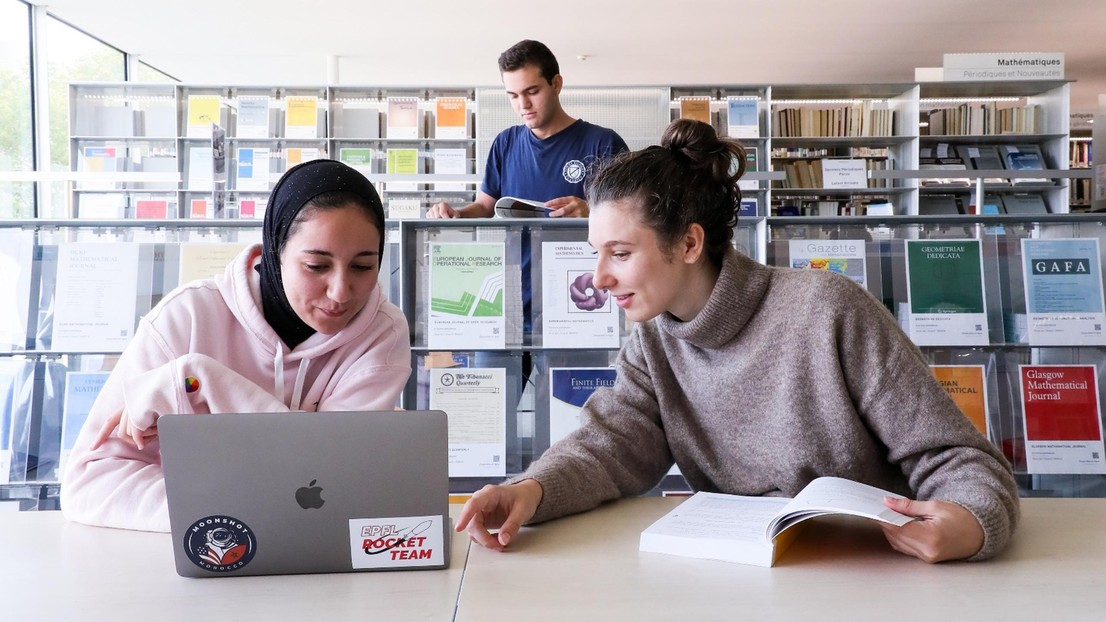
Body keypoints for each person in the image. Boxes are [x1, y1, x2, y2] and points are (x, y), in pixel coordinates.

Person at [455, 119, 1020, 563]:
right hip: (750, 574)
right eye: (595, 253)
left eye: (620, 254)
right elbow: (611, 446)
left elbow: (958, 457)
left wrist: (969, 523)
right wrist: (532, 489)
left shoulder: (827, 309)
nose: (599, 278)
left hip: (874, 573)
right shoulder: (654, 339)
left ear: (690, 244)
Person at [61, 159, 412, 532]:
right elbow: (89, 483)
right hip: (193, 561)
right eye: (316, 266)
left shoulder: (381, 333)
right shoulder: (187, 317)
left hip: (312, 570)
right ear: (276, 251)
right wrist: (229, 518)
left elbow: (325, 481)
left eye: (363, 267)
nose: (341, 292)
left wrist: (201, 381)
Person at [427, 39, 629, 220]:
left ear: (556, 84)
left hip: (582, 261)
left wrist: (592, 211)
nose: (523, 104)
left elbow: (631, 213)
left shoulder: (603, 144)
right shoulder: (505, 143)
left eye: (532, 92)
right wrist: (457, 214)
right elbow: (485, 206)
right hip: (519, 262)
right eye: (513, 96)